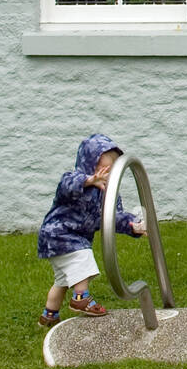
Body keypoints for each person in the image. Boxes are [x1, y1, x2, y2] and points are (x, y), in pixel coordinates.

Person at [37, 133, 145, 327]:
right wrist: (88, 180)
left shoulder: (109, 194)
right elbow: (66, 187)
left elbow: (113, 218)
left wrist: (133, 226)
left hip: (71, 238)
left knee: (61, 281)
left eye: (109, 171)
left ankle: (49, 316)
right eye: (99, 169)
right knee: (83, 258)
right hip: (58, 234)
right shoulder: (74, 178)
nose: (103, 175)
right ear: (88, 164)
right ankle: (80, 298)